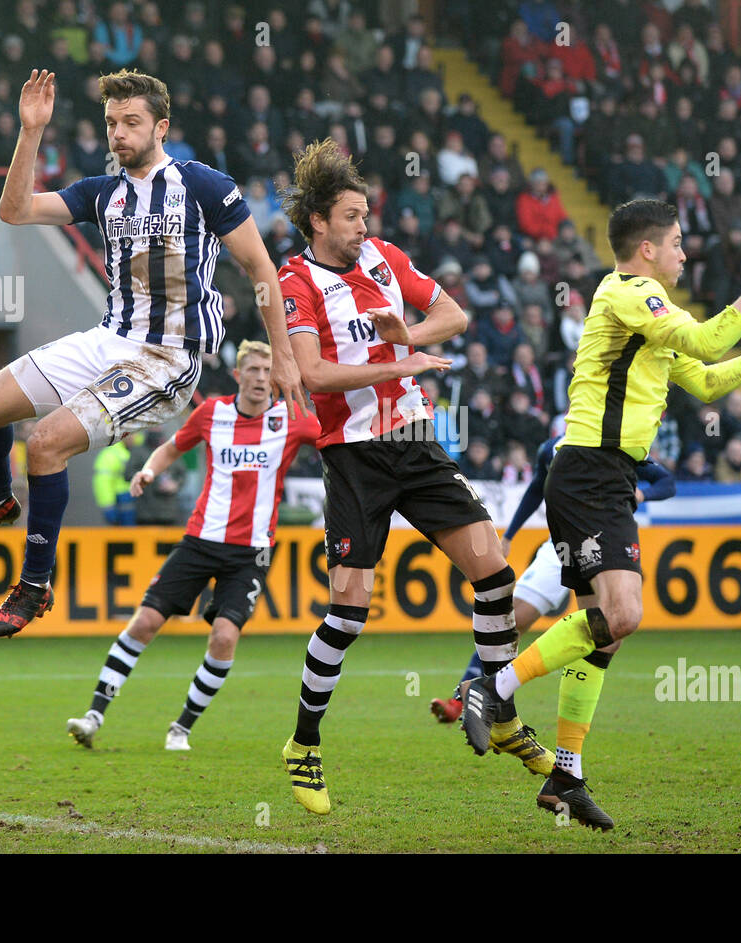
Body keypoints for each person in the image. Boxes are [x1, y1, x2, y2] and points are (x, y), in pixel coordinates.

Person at [458, 202, 741, 829]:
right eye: (678, 244)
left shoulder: (650, 324)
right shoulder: (629, 291)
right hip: (590, 472)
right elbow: (708, 337)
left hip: (602, 477)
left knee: (604, 629)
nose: (685, 254)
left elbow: (705, 380)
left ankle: (565, 775)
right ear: (648, 250)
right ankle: (493, 689)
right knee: (624, 613)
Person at [0, 68, 305, 640]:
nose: (119, 134)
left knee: (46, 443)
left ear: (161, 127)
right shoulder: (102, 193)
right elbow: (15, 210)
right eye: (111, 123)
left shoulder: (203, 185)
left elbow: (261, 269)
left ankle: (33, 585)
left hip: (169, 358)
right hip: (109, 338)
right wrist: (31, 132)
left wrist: (282, 354)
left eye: (131, 122)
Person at [276, 138, 550, 816]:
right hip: (354, 456)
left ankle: (502, 709)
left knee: (494, 572)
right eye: (349, 216)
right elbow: (312, 376)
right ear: (317, 220)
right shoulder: (294, 283)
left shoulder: (386, 258)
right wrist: (396, 363)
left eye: (365, 213)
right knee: (348, 609)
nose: (362, 225)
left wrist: (410, 338)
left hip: (416, 441)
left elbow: (454, 315)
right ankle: (304, 744)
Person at [67, 341, 319, 750]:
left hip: (251, 551)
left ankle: (181, 727)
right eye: (252, 370)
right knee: (146, 622)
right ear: (238, 376)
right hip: (200, 540)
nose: (260, 378)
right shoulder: (211, 413)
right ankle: (94, 715)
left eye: (267, 371)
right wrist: (148, 472)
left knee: (223, 636)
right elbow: (171, 447)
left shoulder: (292, 419)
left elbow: (336, 440)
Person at [430, 436, 676, 744]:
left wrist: (644, 491)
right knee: (514, 620)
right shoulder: (553, 448)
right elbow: (536, 490)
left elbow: (667, 482)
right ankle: (466, 697)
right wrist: (512, 534)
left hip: (604, 541)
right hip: (560, 545)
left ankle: (567, 757)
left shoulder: (623, 441)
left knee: (607, 636)